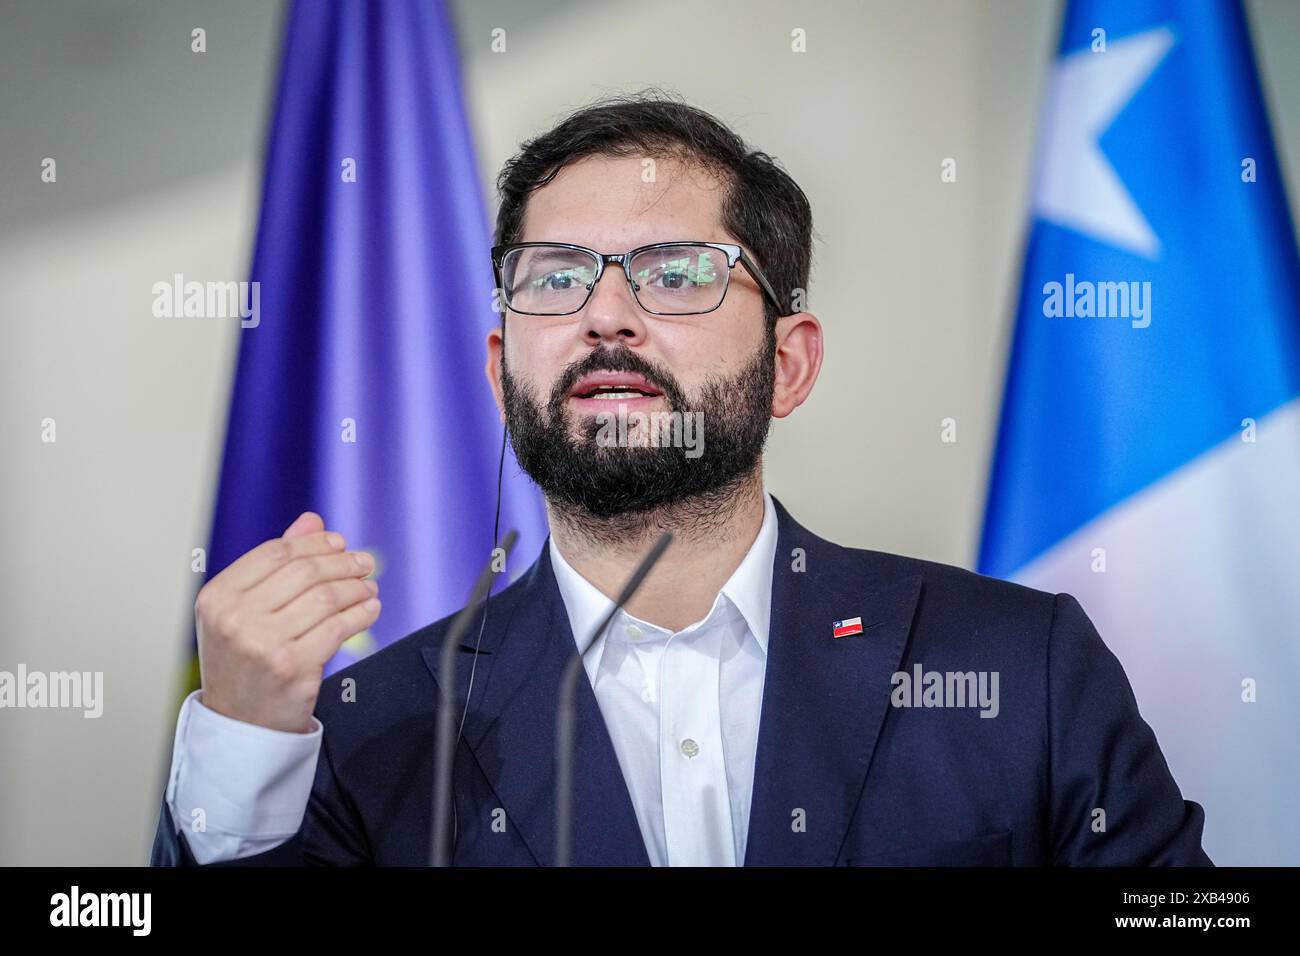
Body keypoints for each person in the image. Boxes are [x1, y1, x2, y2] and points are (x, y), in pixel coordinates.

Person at [152, 93, 1211, 867]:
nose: (605, 313)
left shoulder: (1022, 667)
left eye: (675, 272)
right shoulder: (362, 731)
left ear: (787, 364)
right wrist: (242, 740)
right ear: (498, 364)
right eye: (555, 276)